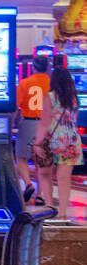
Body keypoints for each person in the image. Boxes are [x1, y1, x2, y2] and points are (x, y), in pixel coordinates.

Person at [32, 60, 82, 219]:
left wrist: (38, 142)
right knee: (64, 177)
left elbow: (45, 122)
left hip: (53, 139)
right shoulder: (74, 98)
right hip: (72, 139)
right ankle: (62, 213)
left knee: (44, 172)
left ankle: (49, 206)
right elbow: (75, 119)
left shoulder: (50, 97)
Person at [14, 55, 50, 203]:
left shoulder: (24, 83)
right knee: (41, 159)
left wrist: (12, 124)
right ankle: (41, 195)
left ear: (33, 67)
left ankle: (28, 184)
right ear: (47, 68)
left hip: (29, 122)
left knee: (21, 157)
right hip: (47, 124)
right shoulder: (52, 83)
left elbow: (15, 107)